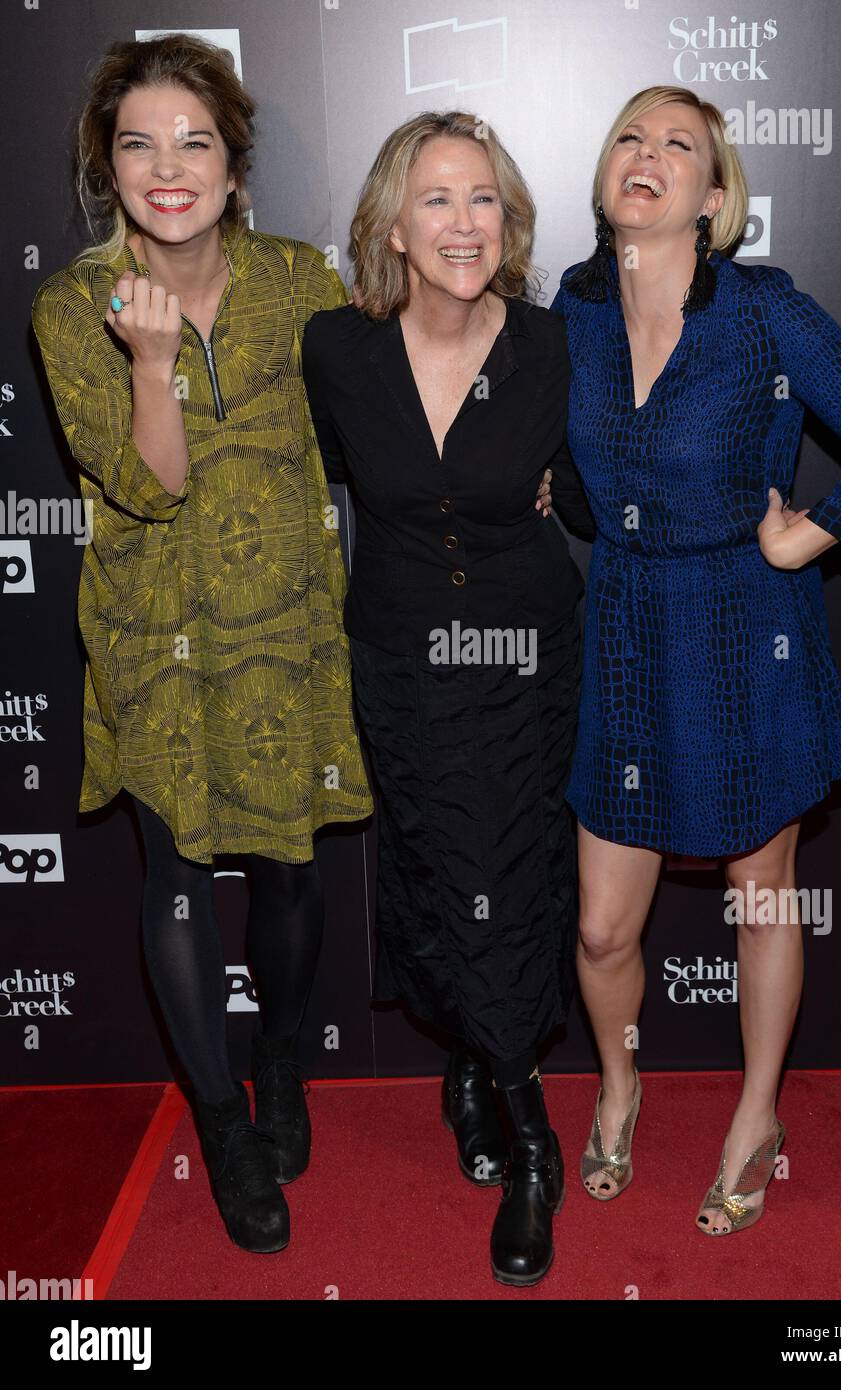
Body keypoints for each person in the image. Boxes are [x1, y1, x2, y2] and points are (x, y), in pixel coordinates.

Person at [550, 84, 841, 1232]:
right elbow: (552, 460)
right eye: (629, 134)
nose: (648, 155)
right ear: (604, 174)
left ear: (715, 199)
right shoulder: (563, 313)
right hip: (623, 631)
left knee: (761, 896)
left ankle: (756, 1116)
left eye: (680, 146)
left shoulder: (767, 313)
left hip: (744, 630)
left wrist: (809, 533)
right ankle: (621, 1085)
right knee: (601, 928)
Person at [31, 33, 373, 1253]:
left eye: (194, 142)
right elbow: (148, 483)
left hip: (286, 625)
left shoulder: (301, 282)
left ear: (235, 166)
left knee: (288, 866)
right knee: (176, 871)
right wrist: (158, 360)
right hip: (157, 632)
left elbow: (375, 423)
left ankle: (280, 1067)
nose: (167, 167)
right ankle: (224, 1119)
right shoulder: (75, 307)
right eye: (138, 143)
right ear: (105, 167)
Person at [302, 111, 596, 1285]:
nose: (462, 223)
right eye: (436, 199)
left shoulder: (554, 346)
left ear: (509, 222)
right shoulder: (336, 349)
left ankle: (528, 1138)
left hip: (526, 658)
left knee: (512, 872)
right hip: (405, 662)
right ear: (392, 223)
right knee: (438, 862)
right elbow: (311, 481)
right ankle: (477, 1066)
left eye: (483, 199)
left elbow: (588, 493)